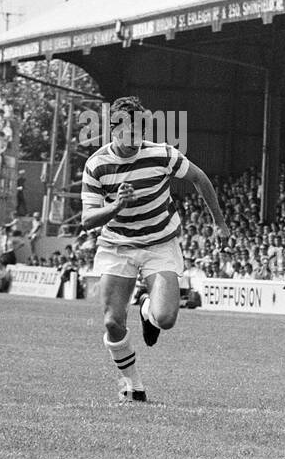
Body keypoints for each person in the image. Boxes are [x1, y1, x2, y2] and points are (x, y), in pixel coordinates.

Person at [81, 96, 229, 402]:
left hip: (159, 242)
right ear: (113, 129)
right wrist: (116, 205)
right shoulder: (96, 165)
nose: (133, 134)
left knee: (166, 319)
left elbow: (199, 178)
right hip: (117, 245)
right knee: (112, 320)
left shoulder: (162, 154)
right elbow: (87, 220)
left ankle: (148, 311)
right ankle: (132, 384)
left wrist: (220, 223)